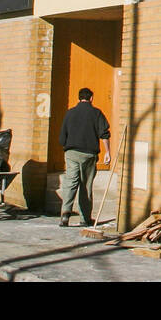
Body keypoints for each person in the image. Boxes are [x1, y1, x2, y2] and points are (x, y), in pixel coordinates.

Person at [57, 87, 111, 227]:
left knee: (70, 182)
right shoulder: (96, 113)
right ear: (91, 98)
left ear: (78, 98)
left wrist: (66, 146)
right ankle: (84, 218)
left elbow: (62, 137)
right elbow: (104, 134)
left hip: (72, 153)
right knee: (86, 185)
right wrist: (107, 152)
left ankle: (65, 214)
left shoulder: (70, 113)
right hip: (89, 154)